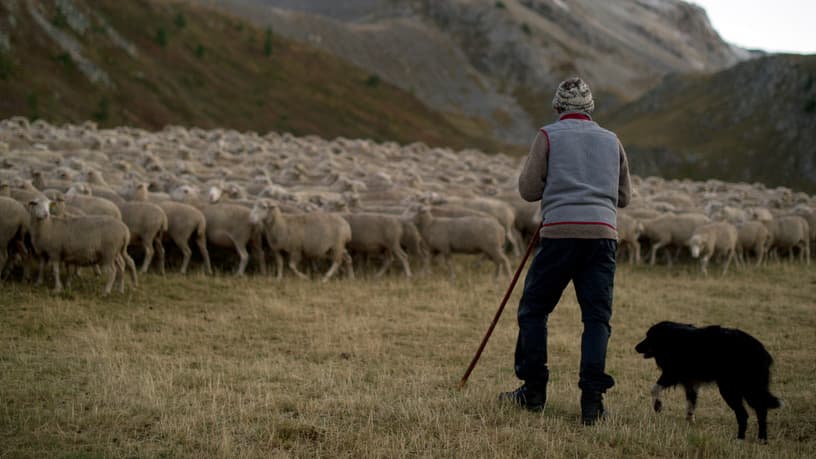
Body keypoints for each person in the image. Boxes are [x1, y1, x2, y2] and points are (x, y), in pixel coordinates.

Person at [499, 76, 632, 425]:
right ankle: (592, 403)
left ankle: (533, 391)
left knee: (534, 311)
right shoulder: (612, 140)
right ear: (590, 108)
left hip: (559, 234)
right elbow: (624, 197)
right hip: (602, 236)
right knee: (596, 318)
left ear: (558, 107)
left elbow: (528, 190)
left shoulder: (547, 135)